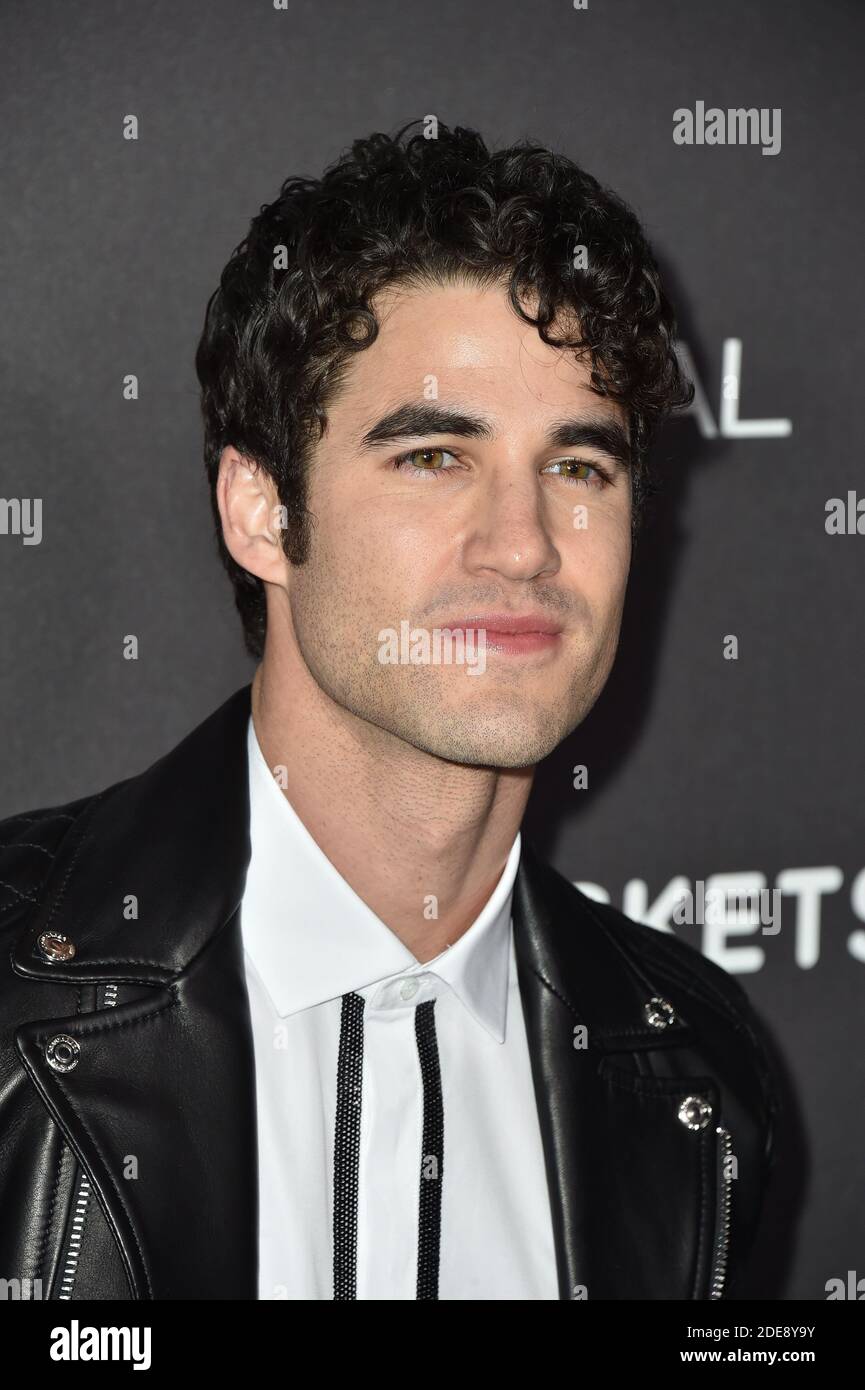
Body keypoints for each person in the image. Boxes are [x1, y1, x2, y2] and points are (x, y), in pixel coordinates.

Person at [0, 119, 779, 1301]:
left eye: (578, 467)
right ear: (261, 511)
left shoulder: (696, 1074)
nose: (522, 546)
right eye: (433, 456)